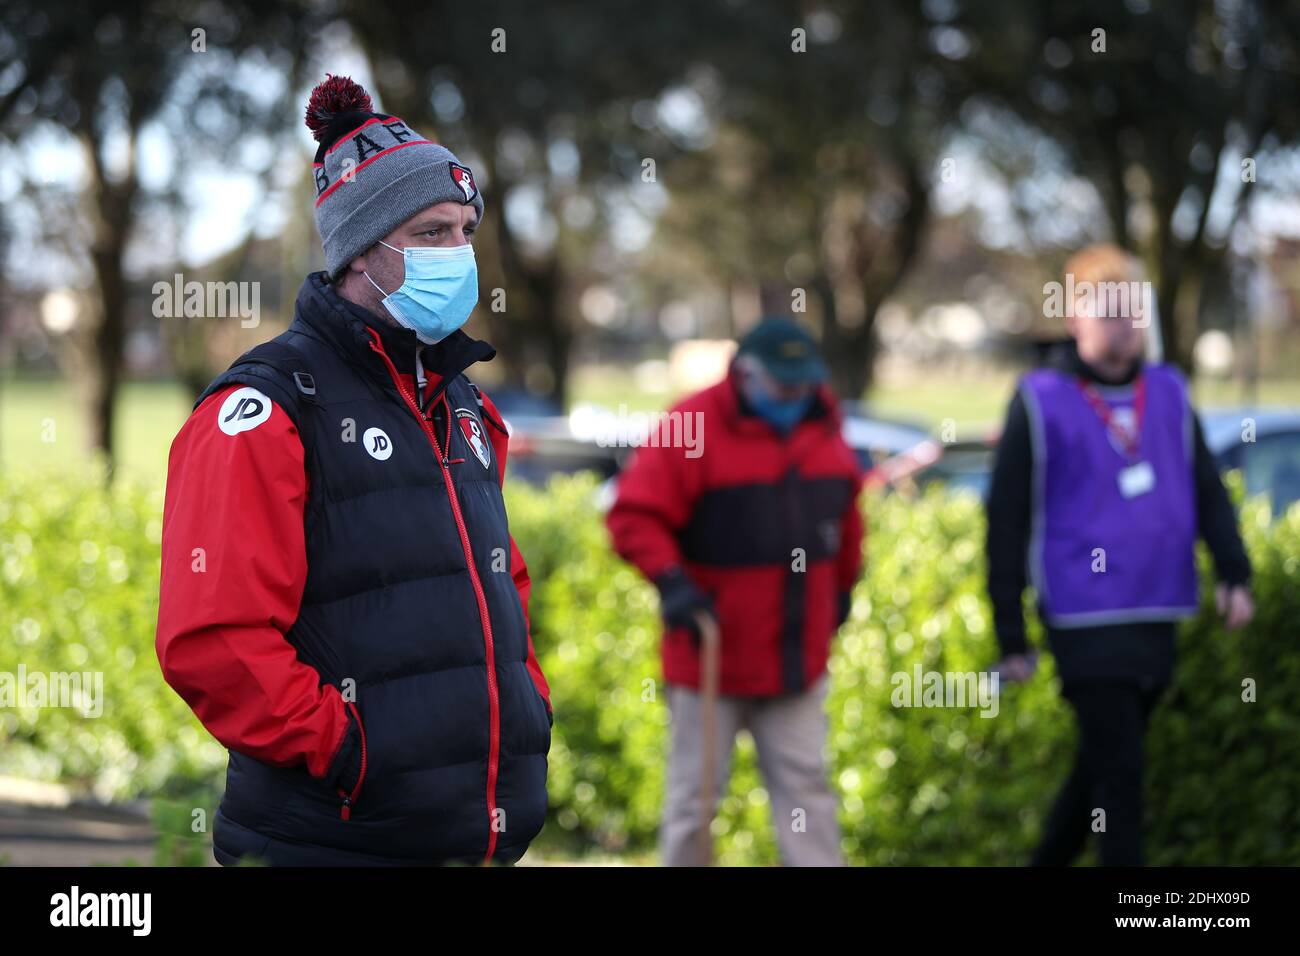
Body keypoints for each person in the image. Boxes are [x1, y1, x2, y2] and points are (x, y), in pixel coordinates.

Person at [155, 75, 552, 866]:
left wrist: (528, 707)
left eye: (466, 230)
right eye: (433, 232)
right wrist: (351, 753)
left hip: (473, 840)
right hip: (330, 843)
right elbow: (215, 637)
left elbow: (498, 583)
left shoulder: (464, 403)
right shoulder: (267, 409)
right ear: (363, 248)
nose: (459, 254)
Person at [986, 243, 1253, 866]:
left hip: (1156, 605)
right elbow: (1005, 521)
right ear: (1074, 316)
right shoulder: (1040, 399)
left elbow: (1207, 487)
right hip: (1082, 613)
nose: (1123, 323)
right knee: (1122, 774)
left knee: (1104, 765)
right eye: (1107, 310)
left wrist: (1233, 571)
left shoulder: (1167, 390)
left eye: (1132, 310)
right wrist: (1010, 633)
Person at [607, 316, 865, 866]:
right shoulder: (690, 425)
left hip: (797, 658)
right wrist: (672, 581)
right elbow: (633, 515)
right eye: (784, 385)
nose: (796, 396)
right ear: (745, 374)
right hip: (711, 657)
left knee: (808, 793)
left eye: (803, 384)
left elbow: (846, 519)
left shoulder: (825, 422)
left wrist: (844, 588)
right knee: (693, 804)